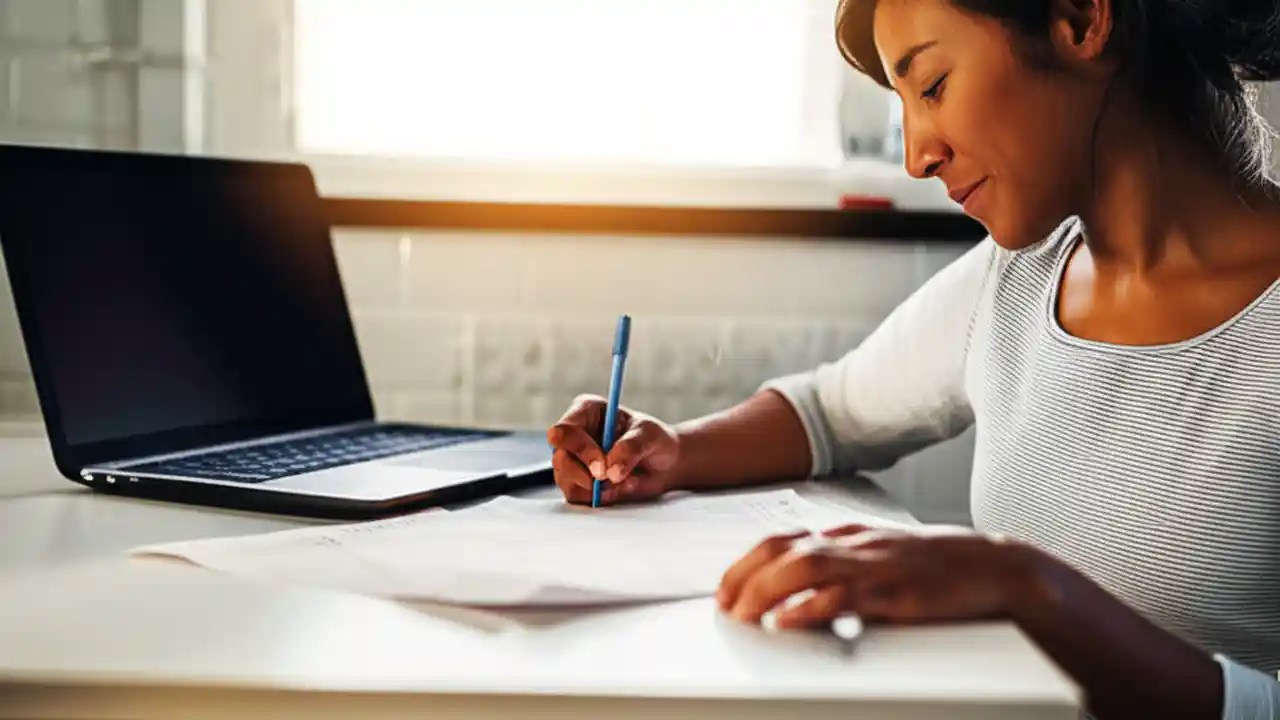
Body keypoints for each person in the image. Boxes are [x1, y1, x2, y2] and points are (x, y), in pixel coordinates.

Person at [547, 0, 1280, 718]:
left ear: (1081, 20)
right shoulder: (1017, 280)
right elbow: (829, 413)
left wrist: (1029, 591)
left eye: (932, 86)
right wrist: (672, 450)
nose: (918, 154)